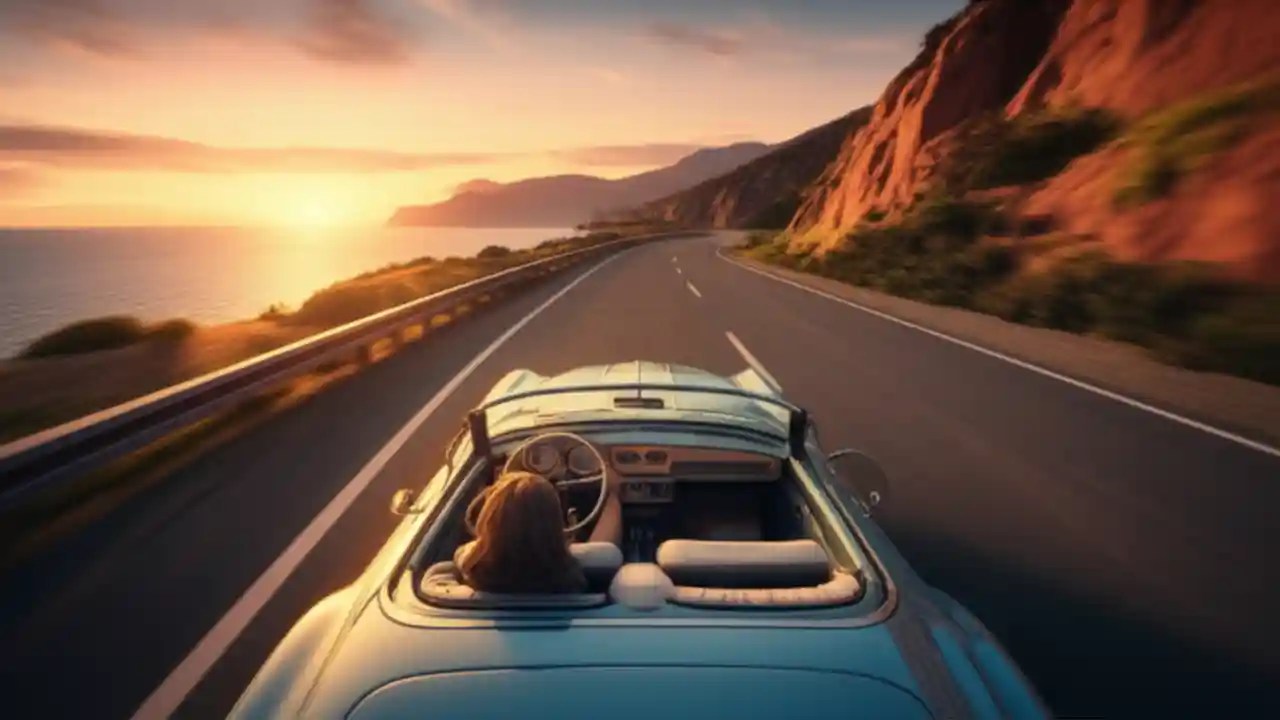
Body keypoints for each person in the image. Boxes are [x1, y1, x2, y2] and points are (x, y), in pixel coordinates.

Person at [457, 470, 620, 594]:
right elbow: (603, 549)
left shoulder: (471, 571)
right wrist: (613, 495)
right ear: (556, 523)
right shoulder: (575, 580)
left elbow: (469, 550)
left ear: (489, 519)